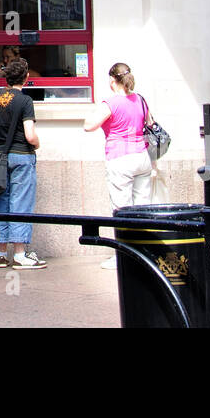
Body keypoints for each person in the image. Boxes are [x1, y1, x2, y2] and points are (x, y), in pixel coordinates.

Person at [85, 61, 155, 269]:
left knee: (122, 208)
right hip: (142, 157)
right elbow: (150, 123)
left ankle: (123, 255)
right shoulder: (140, 99)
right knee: (143, 208)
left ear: (112, 81)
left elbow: (89, 126)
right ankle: (143, 253)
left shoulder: (111, 103)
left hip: (120, 158)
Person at [0, 57, 46, 269]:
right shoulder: (25, 101)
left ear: (6, 77)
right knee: (21, 204)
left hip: (2, 157)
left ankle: (1, 253)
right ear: (26, 78)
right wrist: (36, 144)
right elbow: (30, 135)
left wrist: (2, 138)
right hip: (22, 156)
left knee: (3, 202)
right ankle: (19, 254)